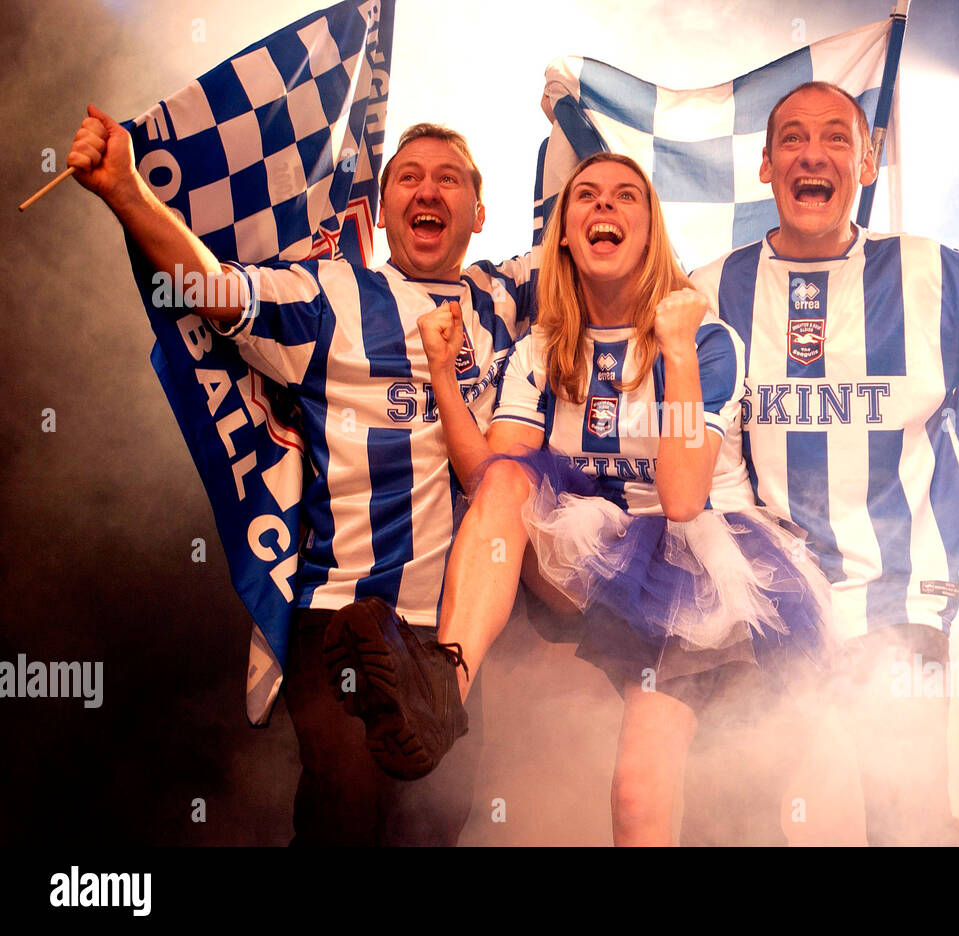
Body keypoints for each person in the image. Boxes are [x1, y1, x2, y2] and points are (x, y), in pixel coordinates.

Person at [65, 110, 535, 845]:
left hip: (456, 637)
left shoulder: (510, 299)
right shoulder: (328, 296)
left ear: (480, 211)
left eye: (449, 179)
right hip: (344, 615)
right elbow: (214, 288)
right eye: (408, 177)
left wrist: (573, 113)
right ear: (383, 210)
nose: (427, 191)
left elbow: (603, 234)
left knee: (434, 831)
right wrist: (128, 191)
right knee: (345, 812)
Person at [689, 81, 959, 845]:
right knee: (726, 818)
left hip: (897, 600)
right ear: (765, 165)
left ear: (866, 160)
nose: (812, 152)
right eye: (791, 137)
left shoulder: (928, 273)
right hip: (767, 599)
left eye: (835, 137)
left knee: (907, 819)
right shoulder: (712, 290)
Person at [416, 152, 830, 845]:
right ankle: (438, 694)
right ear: (566, 234)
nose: (604, 207)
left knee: (642, 798)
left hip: (699, 576)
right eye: (587, 197)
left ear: (650, 230)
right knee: (510, 477)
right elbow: (488, 483)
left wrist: (678, 352)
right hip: (592, 556)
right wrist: (442, 378)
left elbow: (681, 498)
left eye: (625, 198)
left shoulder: (707, 340)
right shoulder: (542, 348)